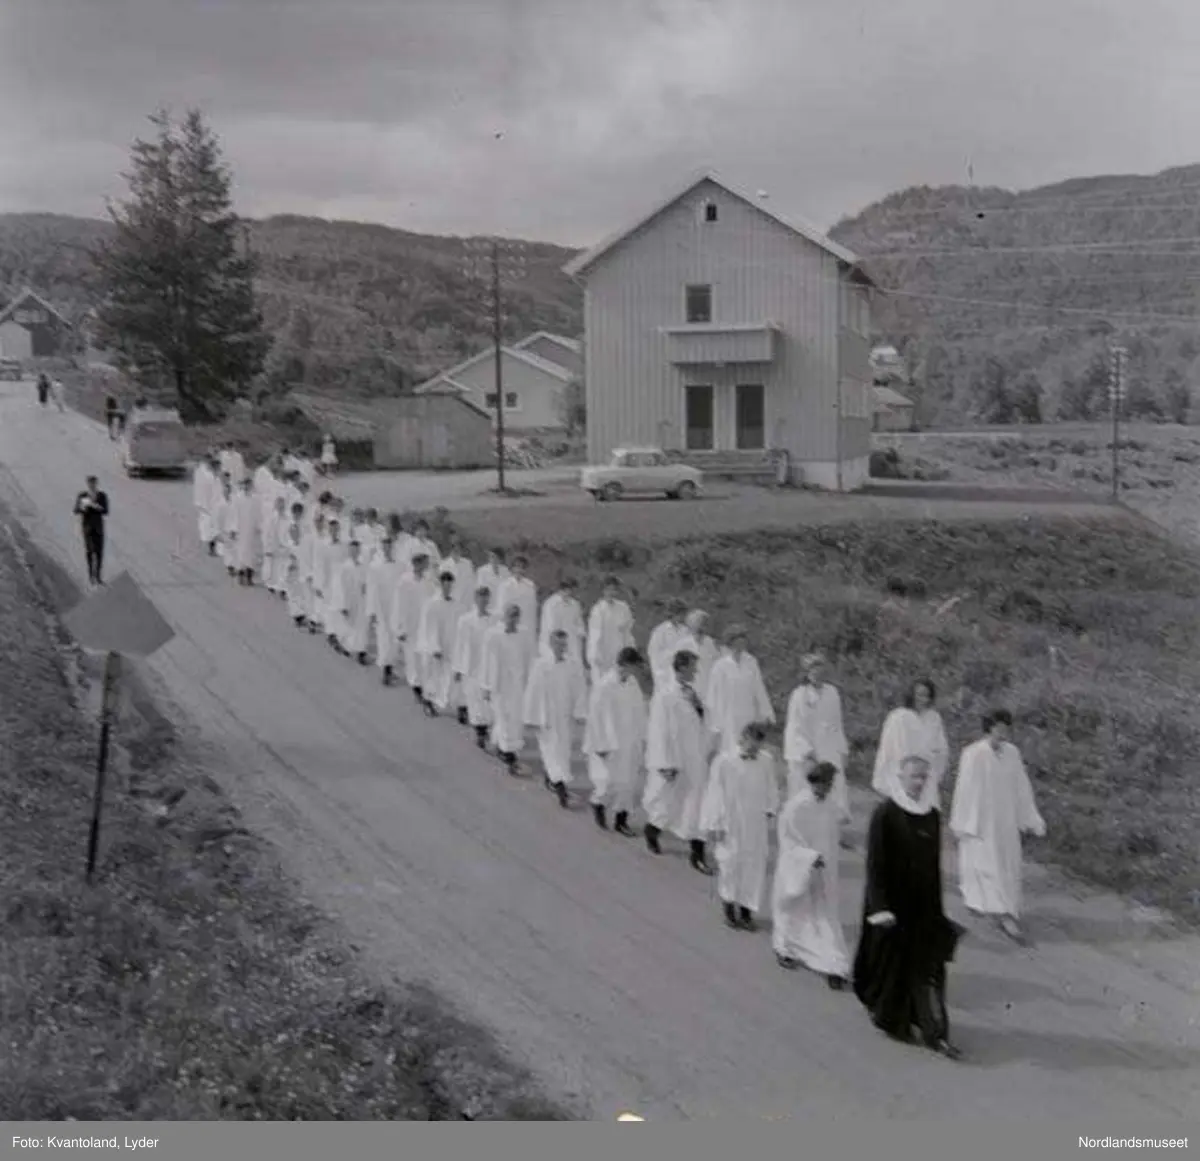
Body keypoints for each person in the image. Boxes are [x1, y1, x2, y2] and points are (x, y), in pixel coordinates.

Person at [852, 755, 964, 1061]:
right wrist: (880, 907)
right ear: (900, 777)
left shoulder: (931, 816)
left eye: (923, 777)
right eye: (914, 776)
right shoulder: (885, 814)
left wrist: (938, 912)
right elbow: (876, 863)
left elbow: (933, 868)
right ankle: (892, 1019)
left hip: (922, 907)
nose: (918, 783)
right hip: (892, 906)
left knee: (928, 969)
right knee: (891, 966)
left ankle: (935, 1031)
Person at [949, 710, 1046, 944]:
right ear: (989, 728)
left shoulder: (1012, 753)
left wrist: (1030, 818)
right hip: (981, 820)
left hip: (1005, 819)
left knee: (1007, 864)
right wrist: (963, 822)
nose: (1002, 732)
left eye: (1006, 728)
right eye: (998, 727)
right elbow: (965, 789)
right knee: (984, 865)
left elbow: (1021, 787)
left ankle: (1005, 910)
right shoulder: (973, 753)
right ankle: (1001, 913)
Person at [772, 761, 851, 987]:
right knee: (794, 908)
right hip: (801, 868)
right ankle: (785, 947)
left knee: (826, 915)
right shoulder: (796, 807)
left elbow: (836, 827)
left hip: (825, 870)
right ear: (814, 782)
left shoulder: (830, 806)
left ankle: (835, 965)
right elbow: (788, 840)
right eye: (824, 784)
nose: (827, 788)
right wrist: (808, 857)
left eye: (830, 784)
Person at [700, 722, 780, 932]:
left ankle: (746, 911)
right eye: (751, 744)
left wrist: (771, 807)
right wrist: (715, 823)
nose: (754, 749)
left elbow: (771, 785)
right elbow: (715, 793)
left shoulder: (766, 761)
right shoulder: (725, 761)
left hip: (755, 822)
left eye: (758, 745)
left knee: (753, 866)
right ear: (742, 739)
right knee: (731, 864)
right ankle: (729, 908)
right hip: (731, 821)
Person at [642, 649, 717, 875]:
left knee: (698, 804)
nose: (696, 671)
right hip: (675, 758)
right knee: (668, 802)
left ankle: (697, 852)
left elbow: (705, 720)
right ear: (682, 668)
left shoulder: (694, 693)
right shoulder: (665, 696)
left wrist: (700, 709)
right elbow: (658, 731)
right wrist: (664, 763)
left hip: (696, 758)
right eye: (693, 667)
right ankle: (653, 828)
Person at [583, 646, 648, 835]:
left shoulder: (632, 684)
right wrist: (600, 744)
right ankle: (598, 803)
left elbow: (640, 711)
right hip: (610, 742)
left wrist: (643, 737)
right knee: (608, 781)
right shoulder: (605, 685)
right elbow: (596, 717)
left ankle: (621, 820)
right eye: (634, 666)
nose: (636, 670)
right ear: (625, 664)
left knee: (628, 783)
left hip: (630, 740)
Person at [524, 627, 589, 809]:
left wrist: (580, 712)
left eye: (563, 645)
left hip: (565, 716)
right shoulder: (541, 665)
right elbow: (533, 690)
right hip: (546, 716)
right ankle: (560, 787)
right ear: (551, 644)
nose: (561, 648)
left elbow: (580, 690)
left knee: (563, 751)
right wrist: (531, 717)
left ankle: (553, 776)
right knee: (550, 749)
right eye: (558, 644)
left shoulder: (573, 666)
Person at [784, 652, 851, 827]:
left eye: (820, 670)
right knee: (806, 785)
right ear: (807, 673)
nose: (817, 674)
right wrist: (806, 750)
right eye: (813, 670)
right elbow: (794, 726)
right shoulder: (799, 695)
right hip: (808, 748)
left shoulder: (832, 693)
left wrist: (842, 749)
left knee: (832, 783)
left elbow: (837, 723)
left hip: (829, 745)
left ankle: (830, 825)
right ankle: (804, 824)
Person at [872, 679, 950, 813]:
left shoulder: (934, 718)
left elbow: (942, 748)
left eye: (926, 695)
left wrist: (933, 765)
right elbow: (888, 748)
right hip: (902, 774)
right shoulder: (898, 717)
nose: (922, 699)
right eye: (919, 695)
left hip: (926, 775)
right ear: (912, 695)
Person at [480, 603, 535, 776]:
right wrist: (486, 686)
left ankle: (499, 742)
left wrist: (530, 682)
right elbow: (486, 661)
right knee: (503, 714)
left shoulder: (524, 635)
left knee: (515, 716)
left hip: (517, 683)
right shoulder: (493, 635)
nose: (513, 619)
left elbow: (529, 658)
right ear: (504, 616)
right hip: (499, 683)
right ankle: (508, 752)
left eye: (516, 615)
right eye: (510, 615)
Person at [705, 625, 774, 754]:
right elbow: (713, 696)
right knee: (730, 749)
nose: (742, 643)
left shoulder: (751, 662)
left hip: (748, 713)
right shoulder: (720, 666)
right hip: (728, 715)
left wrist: (766, 713)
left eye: (743, 639)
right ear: (731, 641)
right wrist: (715, 723)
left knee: (748, 747)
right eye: (738, 639)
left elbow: (759, 688)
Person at [453, 585, 495, 746]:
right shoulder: (466, 620)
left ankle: (485, 726)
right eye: (480, 597)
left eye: (486, 597)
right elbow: (460, 644)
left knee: (487, 698)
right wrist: (457, 668)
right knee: (474, 698)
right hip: (471, 665)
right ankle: (479, 730)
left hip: (488, 665)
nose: (483, 600)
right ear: (476, 599)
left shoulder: (494, 620)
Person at [392, 553, 435, 702]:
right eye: (425, 563)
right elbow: (399, 605)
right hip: (409, 624)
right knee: (412, 657)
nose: (427, 565)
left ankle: (425, 685)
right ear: (417, 564)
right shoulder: (404, 581)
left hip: (425, 624)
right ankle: (416, 685)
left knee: (424, 656)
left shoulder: (429, 581)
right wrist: (400, 628)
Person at [418, 570, 461, 716]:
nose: (447, 587)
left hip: (450, 644)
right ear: (440, 585)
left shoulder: (456, 605)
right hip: (436, 646)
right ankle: (428, 701)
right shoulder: (432, 604)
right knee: (433, 674)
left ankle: (440, 700)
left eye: (450, 584)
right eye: (445, 584)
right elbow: (429, 627)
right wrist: (434, 646)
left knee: (447, 675)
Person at [365, 535, 404, 680]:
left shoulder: (400, 565)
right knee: (383, 636)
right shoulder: (375, 566)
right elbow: (371, 589)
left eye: (390, 546)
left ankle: (390, 666)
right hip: (381, 605)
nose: (388, 549)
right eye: (385, 546)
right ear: (382, 548)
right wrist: (372, 610)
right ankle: (386, 668)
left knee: (394, 637)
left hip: (396, 605)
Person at [586, 575, 635, 681]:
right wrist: (594, 655)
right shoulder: (598, 610)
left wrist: (629, 650)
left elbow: (627, 631)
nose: (611, 593)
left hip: (619, 651)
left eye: (614, 589)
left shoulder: (623, 607)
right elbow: (594, 635)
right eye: (608, 589)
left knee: (620, 681)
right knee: (603, 681)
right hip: (603, 653)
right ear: (603, 590)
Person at [330, 540, 370, 663]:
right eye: (352, 550)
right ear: (349, 551)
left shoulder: (363, 566)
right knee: (350, 626)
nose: (355, 552)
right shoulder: (344, 567)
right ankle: (344, 644)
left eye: (357, 550)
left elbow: (366, 582)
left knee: (362, 626)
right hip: (349, 600)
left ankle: (361, 652)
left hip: (361, 600)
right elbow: (340, 587)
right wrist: (343, 605)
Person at [538, 576, 587, 664]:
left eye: (572, 590)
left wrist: (580, 634)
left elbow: (579, 623)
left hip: (573, 644)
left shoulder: (575, 604)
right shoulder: (551, 604)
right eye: (568, 589)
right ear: (562, 589)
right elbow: (551, 627)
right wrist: (560, 644)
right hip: (556, 644)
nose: (570, 592)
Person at [647, 598, 690, 691]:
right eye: (681, 613)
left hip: (682, 673)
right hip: (665, 673)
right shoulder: (660, 631)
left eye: (684, 613)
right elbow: (654, 654)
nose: (684, 616)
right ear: (674, 613)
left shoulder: (686, 630)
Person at [72, 476, 109, 586]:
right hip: (87, 527)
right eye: (90, 483)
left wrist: (98, 507)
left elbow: (106, 511)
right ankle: (90, 575)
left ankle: (98, 576)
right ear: (87, 484)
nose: (92, 485)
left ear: (96, 484)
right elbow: (75, 510)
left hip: (98, 527)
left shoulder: (102, 496)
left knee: (99, 552)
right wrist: (83, 508)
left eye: (94, 483)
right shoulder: (82, 496)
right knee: (89, 551)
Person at [496, 554, 538, 646]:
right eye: (517, 566)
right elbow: (502, 607)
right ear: (512, 568)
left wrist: (532, 627)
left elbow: (532, 608)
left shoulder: (530, 585)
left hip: (526, 622)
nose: (519, 570)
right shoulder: (505, 585)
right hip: (510, 623)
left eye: (522, 567)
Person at [682, 609, 719, 702]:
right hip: (690, 688)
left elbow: (717, 665)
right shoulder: (683, 644)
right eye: (701, 623)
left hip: (708, 687)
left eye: (705, 623)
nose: (703, 627)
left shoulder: (711, 643)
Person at [232, 477, 261, 586]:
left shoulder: (256, 499)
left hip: (251, 529)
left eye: (249, 485)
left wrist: (258, 526)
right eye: (246, 485)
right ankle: (240, 574)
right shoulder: (237, 498)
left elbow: (258, 514)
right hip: (241, 529)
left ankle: (249, 577)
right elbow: (234, 514)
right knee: (241, 552)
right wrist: (234, 528)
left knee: (251, 554)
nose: (247, 487)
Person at [283, 505, 309, 628]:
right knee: (293, 592)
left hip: (301, 567)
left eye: (299, 513)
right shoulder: (289, 527)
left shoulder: (304, 527)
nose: (297, 515)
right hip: (291, 568)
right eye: (295, 513)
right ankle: (297, 616)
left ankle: (303, 614)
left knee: (302, 591)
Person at [192, 455, 220, 556]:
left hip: (218, 505)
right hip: (208, 505)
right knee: (211, 527)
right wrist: (201, 503)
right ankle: (212, 548)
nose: (217, 469)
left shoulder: (217, 477)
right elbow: (201, 490)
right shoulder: (205, 475)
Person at [476, 548, 510, 622]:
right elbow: (480, 590)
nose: (493, 559)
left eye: (496, 557)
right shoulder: (482, 571)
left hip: (501, 604)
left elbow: (508, 588)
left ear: (501, 559)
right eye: (491, 557)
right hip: (488, 604)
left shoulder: (506, 570)